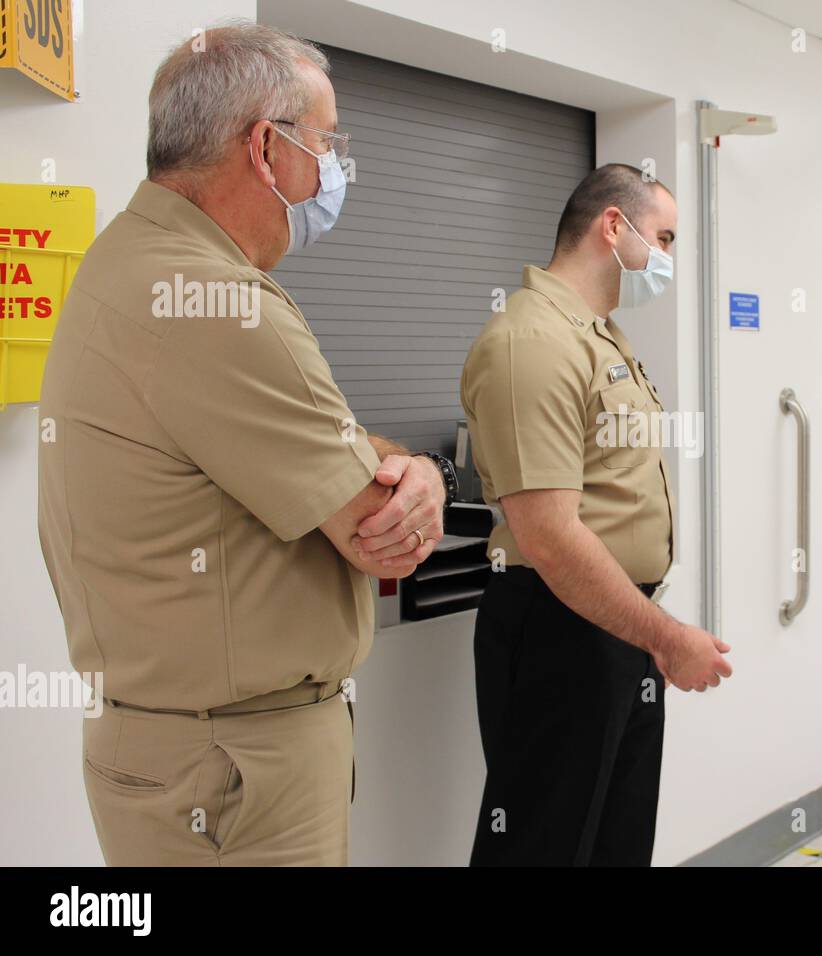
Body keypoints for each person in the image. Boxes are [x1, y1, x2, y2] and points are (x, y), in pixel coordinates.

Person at [37, 22, 455, 866]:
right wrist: (422, 478)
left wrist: (395, 460)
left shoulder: (129, 261)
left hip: (177, 753)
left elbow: (321, 441)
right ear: (267, 147)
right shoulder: (218, 302)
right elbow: (384, 534)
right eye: (328, 142)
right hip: (238, 770)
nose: (334, 168)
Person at [460, 163, 733, 866]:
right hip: (560, 625)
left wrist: (646, 633)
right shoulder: (534, 342)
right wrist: (667, 639)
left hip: (613, 623)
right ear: (614, 226)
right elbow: (548, 537)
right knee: (543, 844)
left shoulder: (597, 334)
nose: (667, 258)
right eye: (663, 238)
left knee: (615, 838)